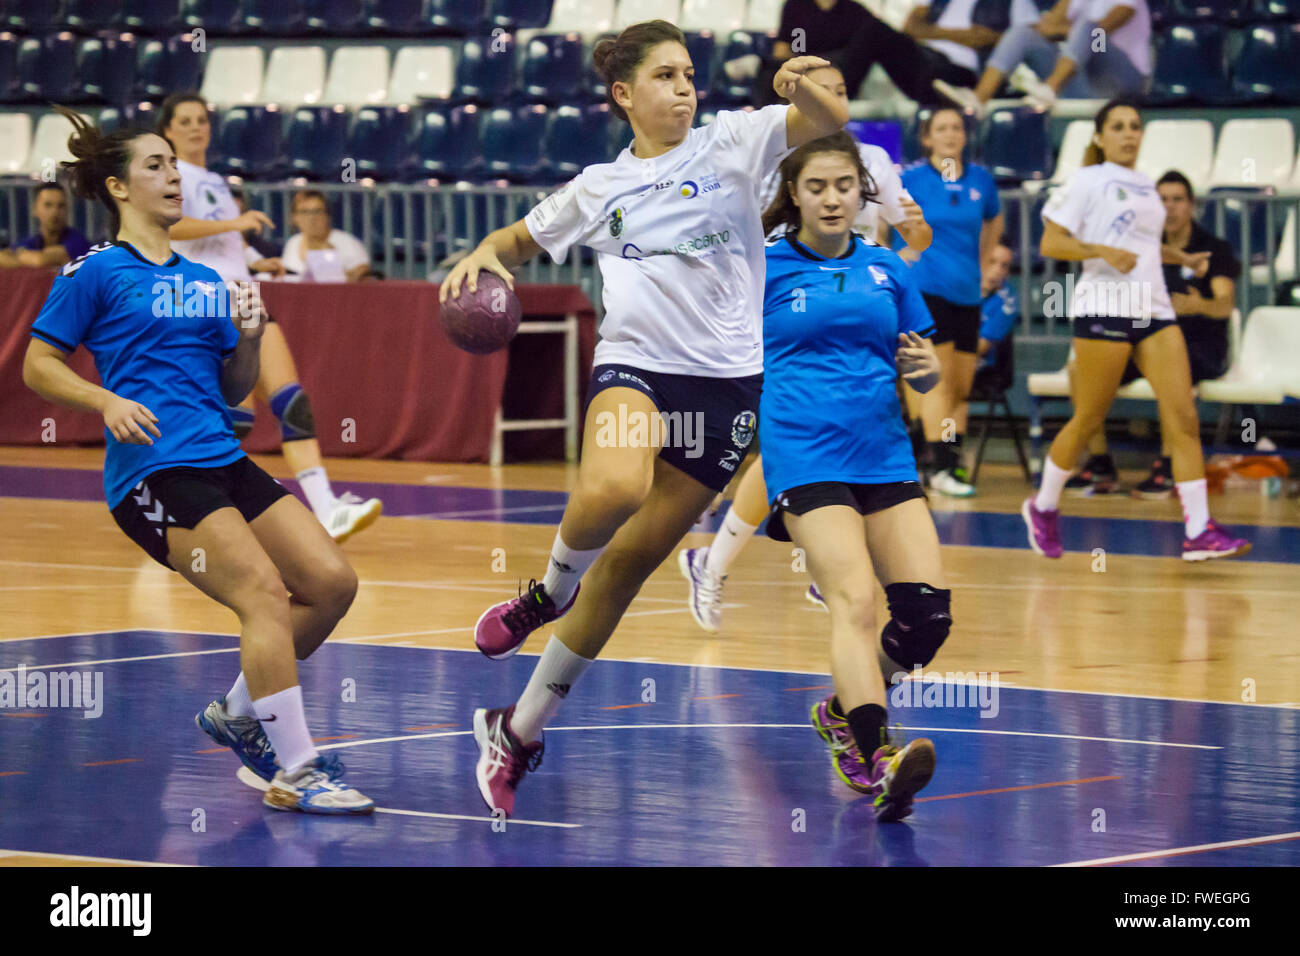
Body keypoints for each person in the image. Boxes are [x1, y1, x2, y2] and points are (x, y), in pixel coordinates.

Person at [440, 19, 848, 817]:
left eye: (690, 74)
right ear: (624, 95)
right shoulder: (599, 186)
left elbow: (831, 121)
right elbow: (518, 240)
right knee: (612, 487)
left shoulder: (733, 142)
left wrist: (805, 84)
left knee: (625, 570)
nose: (686, 88)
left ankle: (517, 731)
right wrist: (481, 255)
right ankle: (547, 593)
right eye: (666, 76)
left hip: (727, 389)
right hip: (637, 368)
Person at [21, 107, 372, 814]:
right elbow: (37, 363)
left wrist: (245, 337)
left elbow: (234, 388)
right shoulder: (96, 271)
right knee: (264, 597)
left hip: (223, 455)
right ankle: (297, 770)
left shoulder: (207, 281)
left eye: (173, 165)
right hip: (153, 473)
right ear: (119, 188)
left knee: (332, 582)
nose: (172, 174)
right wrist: (102, 400)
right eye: (154, 165)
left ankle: (239, 714)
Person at [681, 60, 931, 631]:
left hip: (849, 318)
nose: (828, 100)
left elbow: (917, 235)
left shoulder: (872, 163)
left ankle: (726, 563)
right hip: (780, 312)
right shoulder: (772, 150)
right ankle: (723, 564)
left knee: (809, 456)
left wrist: (905, 245)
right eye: (819, 91)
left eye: (840, 92)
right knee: (785, 451)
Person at [759, 132, 945, 821]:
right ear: (795, 197)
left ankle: (844, 711)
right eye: (817, 187)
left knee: (927, 619)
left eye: (843, 185)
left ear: (861, 192)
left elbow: (921, 360)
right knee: (856, 602)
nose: (832, 198)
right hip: (805, 452)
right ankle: (876, 753)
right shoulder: (764, 268)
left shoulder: (889, 269)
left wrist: (927, 375)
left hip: (884, 451)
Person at [1023, 99, 1249, 561]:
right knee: (1088, 419)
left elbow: (1146, 247)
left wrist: (1182, 259)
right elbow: (1051, 241)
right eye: (1119, 127)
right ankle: (1043, 506)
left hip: (1154, 309)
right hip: (1105, 305)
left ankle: (1199, 529)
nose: (1129, 134)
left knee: (1183, 415)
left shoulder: (1146, 186)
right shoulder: (1086, 181)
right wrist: (1102, 251)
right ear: (1100, 137)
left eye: (1135, 126)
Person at [157, 92, 382, 542]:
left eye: (202, 119)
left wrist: (257, 260)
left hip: (244, 295)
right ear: (168, 131)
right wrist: (234, 226)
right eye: (185, 121)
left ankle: (326, 509)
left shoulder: (217, 181)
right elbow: (170, 226)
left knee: (290, 400)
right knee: (230, 419)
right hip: (204, 301)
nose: (197, 127)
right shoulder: (169, 175)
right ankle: (182, 510)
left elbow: (225, 243)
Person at [1064, 170, 1239, 498]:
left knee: (1171, 371)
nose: (1170, 208)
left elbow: (1224, 305)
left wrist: (1197, 305)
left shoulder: (1213, 249)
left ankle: (1168, 467)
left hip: (1200, 345)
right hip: (1144, 339)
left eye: (1178, 200)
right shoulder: (1142, 249)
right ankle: (1100, 463)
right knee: (1079, 371)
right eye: (1163, 201)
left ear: (1192, 205)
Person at [899, 107, 1003, 496]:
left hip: (967, 293)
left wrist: (983, 261)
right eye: (941, 128)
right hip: (926, 290)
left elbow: (993, 221)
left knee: (961, 386)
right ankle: (941, 466)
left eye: (956, 127)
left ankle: (940, 460)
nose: (950, 134)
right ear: (927, 138)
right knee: (936, 382)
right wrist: (900, 258)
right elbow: (884, 222)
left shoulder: (981, 181)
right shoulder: (911, 180)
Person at [935, 0, 1151, 118]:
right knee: (1023, 32)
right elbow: (1045, 27)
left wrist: (1065, 28)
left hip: (1122, 78)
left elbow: (1105, 29)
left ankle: (1049, 89)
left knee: (1089, 28)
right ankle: (978, 99)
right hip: (1084, 80)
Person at [762, 0, 1000, 105]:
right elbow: (784, 52)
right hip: (807, 72)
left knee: (877, 32)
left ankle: (934, 83)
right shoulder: (796, 7)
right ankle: (932, 87)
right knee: (876, 30)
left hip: (841, 74)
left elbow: (875, 46)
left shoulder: (853, 11)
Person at [280, 189, 371, 282]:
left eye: (317, 211)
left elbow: (363, 272)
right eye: (304, 212)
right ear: (294, 218)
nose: (312, 218)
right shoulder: (293, 242)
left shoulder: (348, 243)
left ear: (328, 216)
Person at [5, 183, 93, 268]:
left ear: (68, 210)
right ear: (35, 209)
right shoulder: (33, 241)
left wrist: (19, 255)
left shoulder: (78, 242)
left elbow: (40, 260)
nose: (55, 212)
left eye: (61, 206)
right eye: (48, 205)